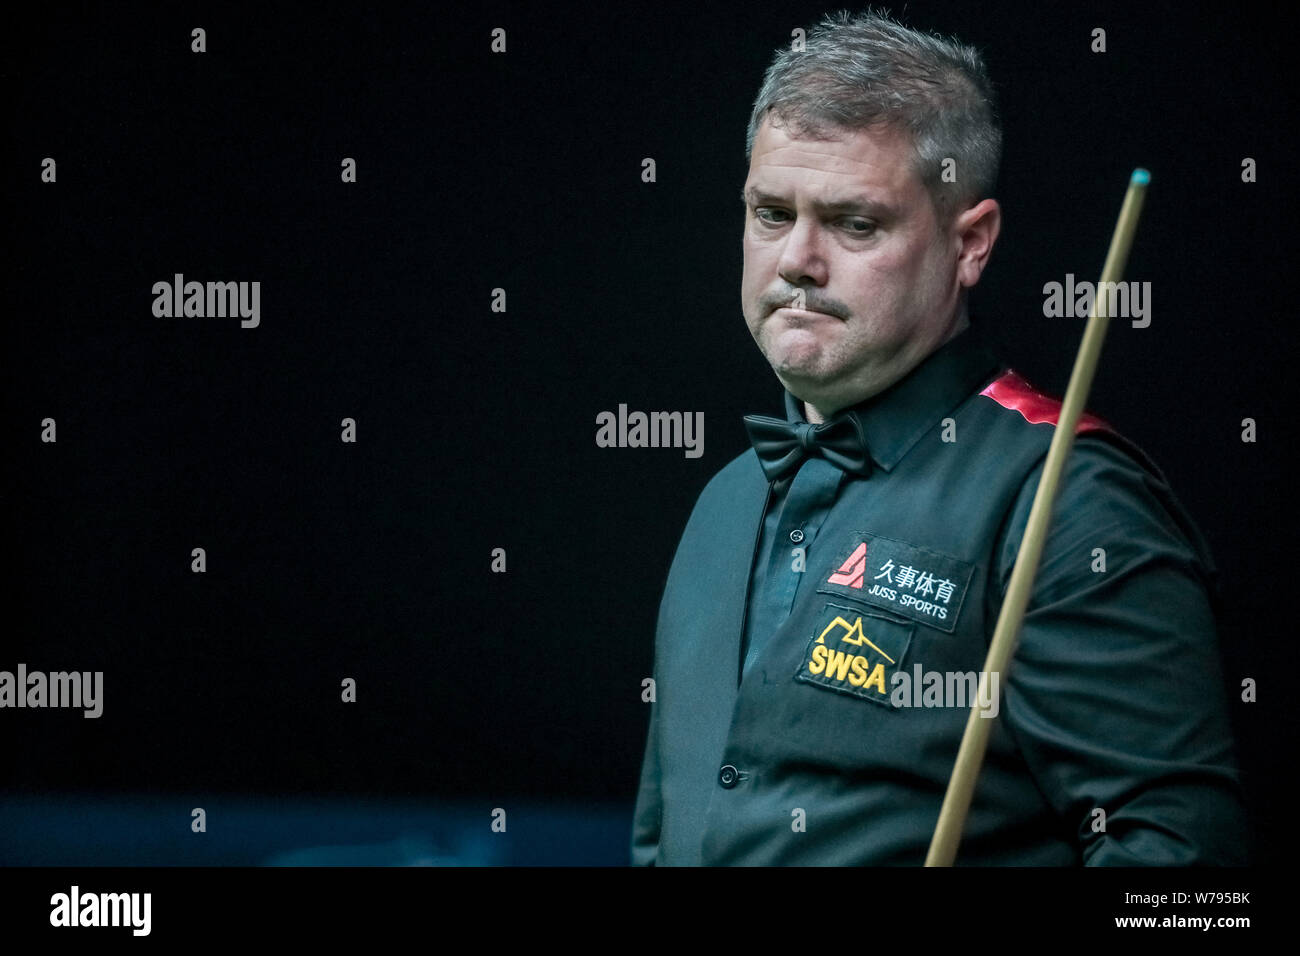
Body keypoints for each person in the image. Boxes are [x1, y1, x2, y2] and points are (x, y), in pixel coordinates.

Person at [630, 9, 1249, 865]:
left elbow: (1188, 884)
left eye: (855, 223)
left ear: (970, 244)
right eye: (772, 213)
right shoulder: (724, 504)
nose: (796, 261)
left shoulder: (1067, 503)